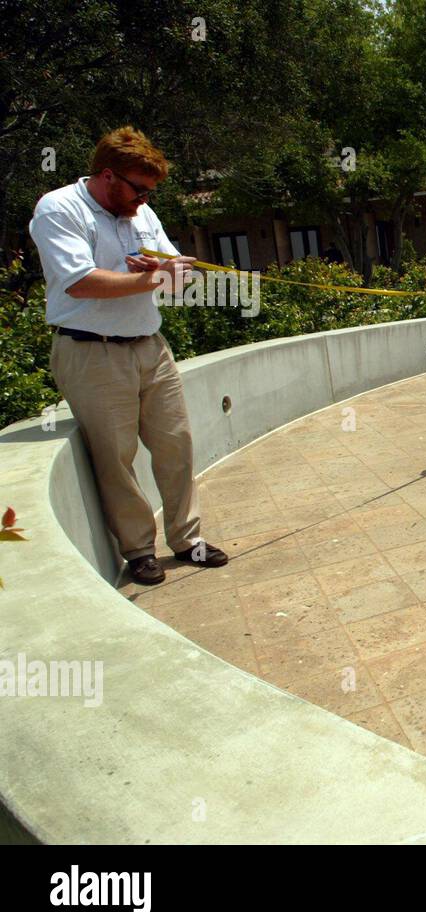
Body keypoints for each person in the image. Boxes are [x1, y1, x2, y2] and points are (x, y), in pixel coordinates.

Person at [28, 126, 228, 586]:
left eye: (149, 192)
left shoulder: (142, 213)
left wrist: (166, 272)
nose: (144, 201)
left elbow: (181, 276)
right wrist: (152, 279)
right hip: (90, 350)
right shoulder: (59, 209)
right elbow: (81, 281)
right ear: (107, 176)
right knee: (116, 456)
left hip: (150, 346)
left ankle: (187, 538)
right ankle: (139, 550)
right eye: (139, 190)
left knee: (176, 444)